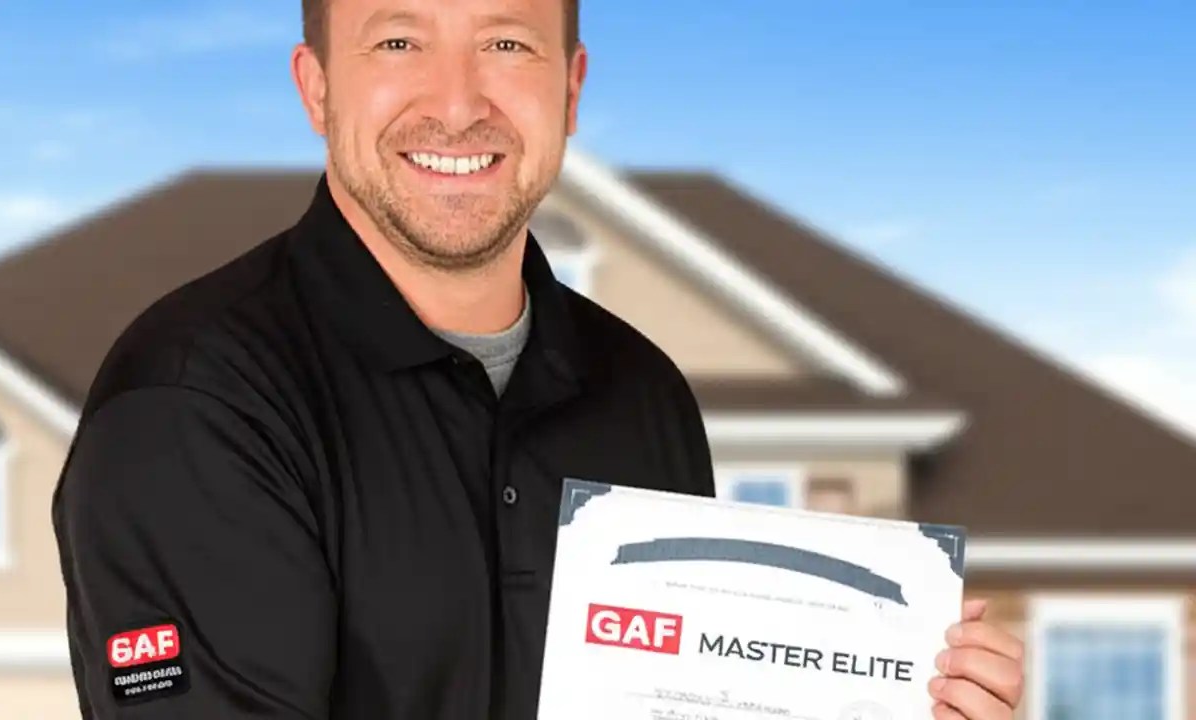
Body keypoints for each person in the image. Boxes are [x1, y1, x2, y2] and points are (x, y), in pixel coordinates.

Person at [51, 0, 1025, 717]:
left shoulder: (641, 394)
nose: (457, 102)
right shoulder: (191, 407)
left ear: (569, 87)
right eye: (397, 42)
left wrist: (892, 695)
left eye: (505, 43)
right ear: (315, 88)